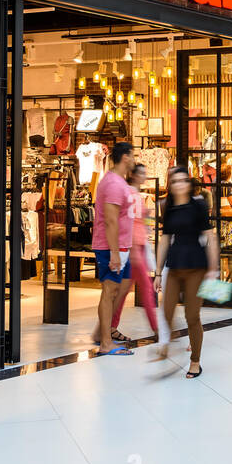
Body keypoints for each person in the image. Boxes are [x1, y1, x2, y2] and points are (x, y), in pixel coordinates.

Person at [152, 167, 218, 377]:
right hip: (175, 265)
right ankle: (168, 344)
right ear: (171, 186)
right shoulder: (169, 208)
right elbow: (164, 241)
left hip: (196, 266)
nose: (179, 184)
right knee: (166, 310)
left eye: (183, 180)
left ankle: (195, 361)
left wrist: (213, 268)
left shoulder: (198, 205)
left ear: (188, 184)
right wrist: (157, 272)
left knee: (192, 316)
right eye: (175, 181)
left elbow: (210, 236)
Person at [91, 142, 135, 356]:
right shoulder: (114, 184)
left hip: (121, 247)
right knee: (109, 292)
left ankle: (105, 335)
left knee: (116, 290)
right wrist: (115, 253)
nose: (134, 160)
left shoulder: (118, 182)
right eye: (132, 156)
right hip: (110, 248)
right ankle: (105, 342)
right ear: (125, 157)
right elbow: (110, 220)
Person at [109, 162, 159, 342]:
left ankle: (109, 327)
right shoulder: (131, 193)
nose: (145, 176)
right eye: (142, 173)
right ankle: (156, 329)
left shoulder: (137, 194)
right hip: (133, 248)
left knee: (123, 292)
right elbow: (127, 221)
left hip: (138, 246)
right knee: (144, 289)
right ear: (135, 175)